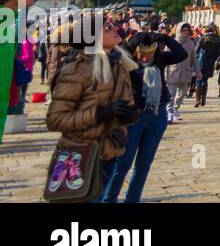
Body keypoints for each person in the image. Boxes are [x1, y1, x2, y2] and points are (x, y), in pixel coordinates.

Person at [44, 14, 139, 200]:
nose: (115, 29)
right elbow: (55, 119)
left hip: (110, 150)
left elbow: (125, 103)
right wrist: (101, 114)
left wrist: (128, 115)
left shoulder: (119, 65)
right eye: (107, 27)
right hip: (82, 154)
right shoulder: (77, 71)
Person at [100, 30, 190, 203]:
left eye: (149, 54)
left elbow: (181, 54)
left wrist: (166, 38)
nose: (146, 58)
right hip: (134, 116)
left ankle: (132, 199)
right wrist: (133, 43)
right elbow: (117, 55)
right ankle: (108, 199)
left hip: (157, 114)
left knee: (143, 165)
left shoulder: (160, 61)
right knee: (122, 164)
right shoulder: (128, 62)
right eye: (142, 54)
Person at [164, 24, 196, 124]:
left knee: (182, 93)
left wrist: (198, 71)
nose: (185, 32)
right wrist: (164, 73)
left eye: (187, 30)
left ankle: (175, 108)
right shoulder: (171, 42)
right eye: (183, 30)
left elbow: (194, 59)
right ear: (179, 31)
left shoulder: (191, 43)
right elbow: (164, 58)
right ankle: (169, 112)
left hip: (186, 72)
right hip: (172, 71)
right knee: (171, 94)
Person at [193, 25, 220, 107]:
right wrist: (213, 58)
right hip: (210, 62)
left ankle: (197, 100)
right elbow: (219, 52)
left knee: (198, 80)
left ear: (206, 31)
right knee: (205, 80)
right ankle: (203, 100)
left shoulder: (203, 38)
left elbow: (196, 50)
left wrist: (197, 57)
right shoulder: (218, 39)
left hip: (201, 61)